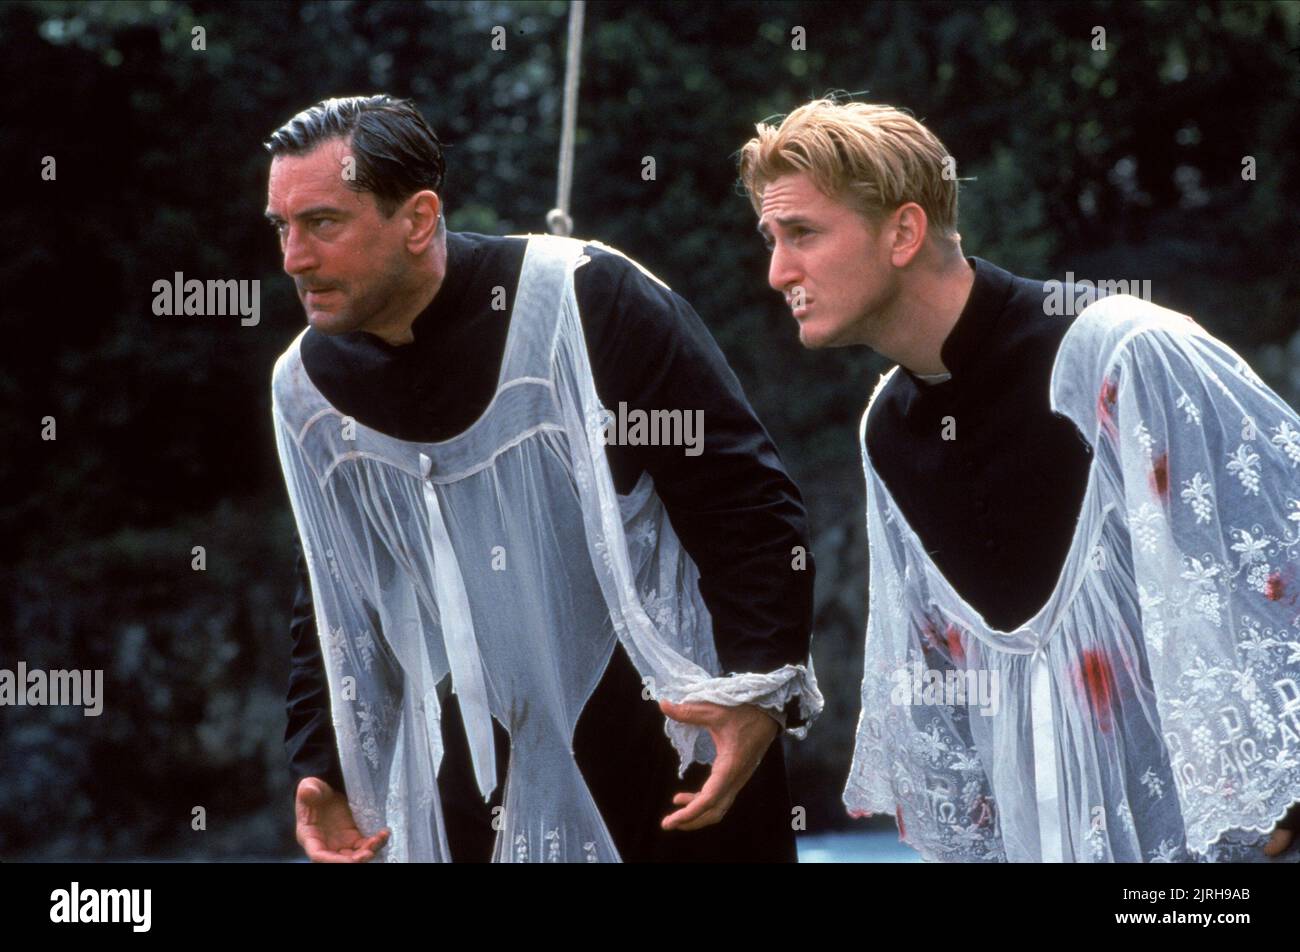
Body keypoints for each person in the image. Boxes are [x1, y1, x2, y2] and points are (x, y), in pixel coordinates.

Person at [738, 99, 1300, 862]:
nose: (778, 272)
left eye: (802, 233)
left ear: (902, 232)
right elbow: (953, 724)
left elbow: (1282, 534)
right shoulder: (888, 433)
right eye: (772, 240)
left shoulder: (1123, 354)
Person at [266, 95, 821, 862]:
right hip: (474, 770)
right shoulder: (305, 388)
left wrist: (759, 695)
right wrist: (321, 766)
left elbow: (744, 505)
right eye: (282, 227)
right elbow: (332, 600)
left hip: (674, 741)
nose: (294, 256)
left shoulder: (591, 297)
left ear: (419, 218)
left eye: (322, 222)